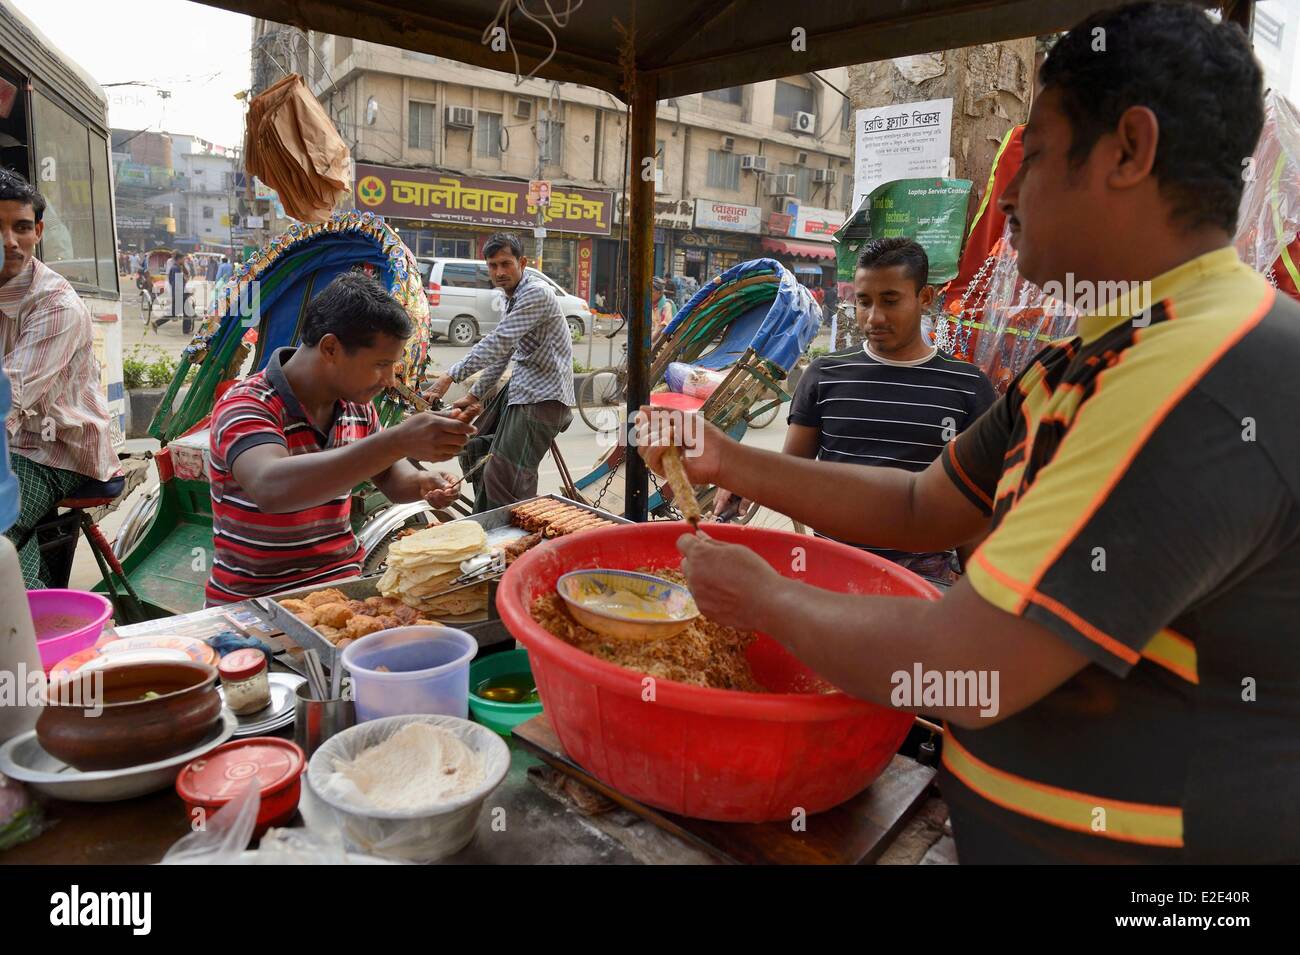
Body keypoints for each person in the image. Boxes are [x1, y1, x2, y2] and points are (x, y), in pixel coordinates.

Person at [641, 2, 1300, 864]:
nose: (1010, 190)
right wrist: (728, 460)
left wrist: (761, 598)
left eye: (1033, 150)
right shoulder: (1096, 352)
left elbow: (975, 669)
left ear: (1128, 151)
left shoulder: (1202, 376)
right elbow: (925, 502)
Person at [714, 238, 995, 585]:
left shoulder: (968, 387)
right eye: (864, 301)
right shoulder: (824, 375)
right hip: (831, 567)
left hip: (922, 578)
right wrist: (745, 480)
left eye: (890, 300)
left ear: (925, 298)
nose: (874, 317)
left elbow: (975, 500)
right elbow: (794, 473)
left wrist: (978, 585)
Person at [205, 271, 474, 604]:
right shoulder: (248, 404)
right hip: (254, 601)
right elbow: (270, 487)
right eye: (381, 364)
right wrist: (396, 441)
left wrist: (422, 481)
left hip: (340, 589)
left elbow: (390, 474)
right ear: (330, 348)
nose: (389, 380)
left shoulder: (356, 407)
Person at [0, 170, 120, 588]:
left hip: (58, 444)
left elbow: (9, 398)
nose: (9, 241)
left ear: (38, 232)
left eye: (20, 227)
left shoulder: (55, 304)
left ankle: (28, 637)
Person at [425, 232, 574, 512]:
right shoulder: (512, 297)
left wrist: (449, 376)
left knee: (504, 477)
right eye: (493, 266)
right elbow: (503, 353)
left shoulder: (535, 294)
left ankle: (513, 541)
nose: (500, 272)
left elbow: (499, 342)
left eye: (506, 264)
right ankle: (487, 518)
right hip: (522, 391)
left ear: (523, 263)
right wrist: (473, 395)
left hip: (543, 397)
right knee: (473, 448)